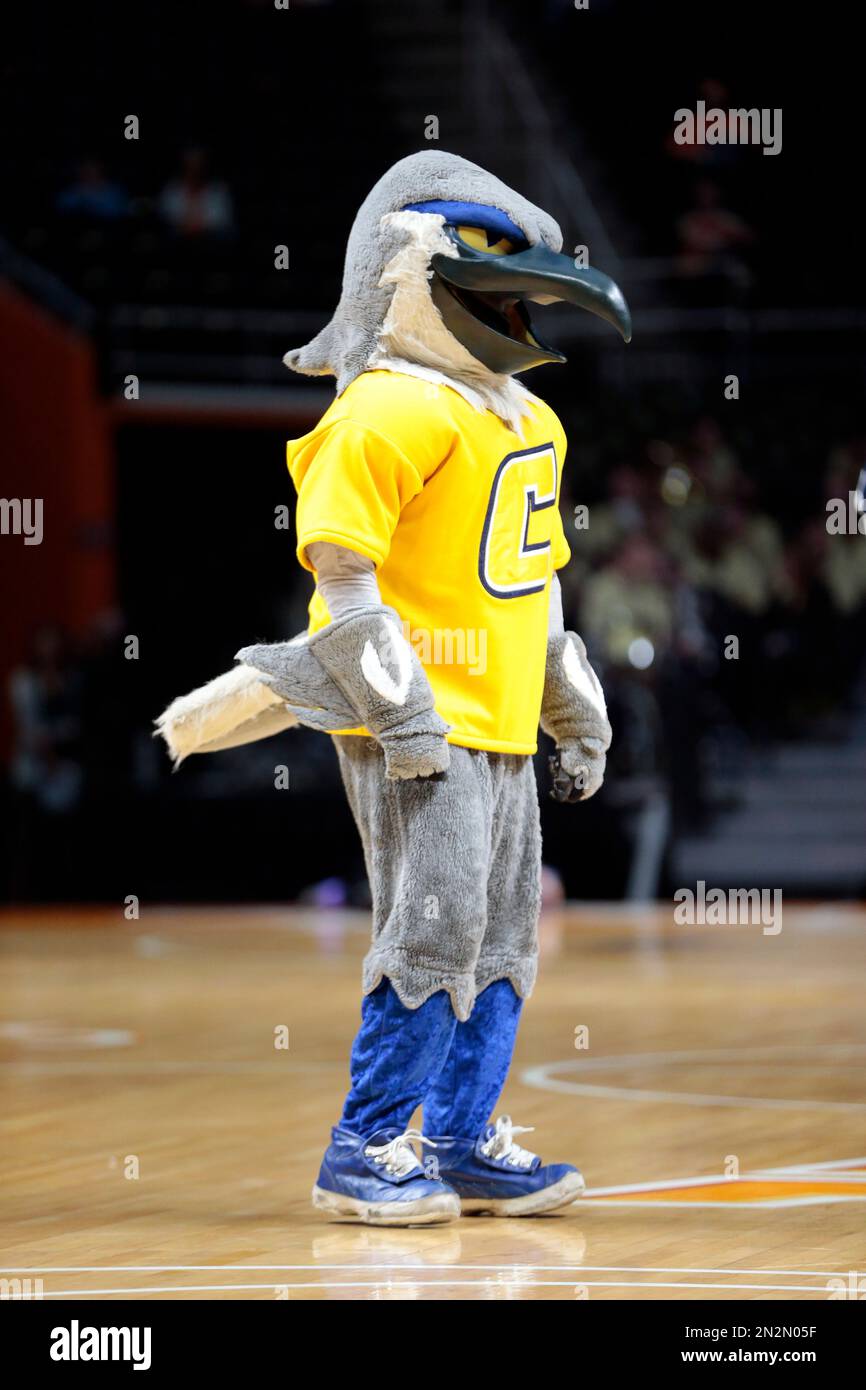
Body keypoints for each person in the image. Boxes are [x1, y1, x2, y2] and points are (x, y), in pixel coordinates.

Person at [158, 151, 631, 1224]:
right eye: (486, 274)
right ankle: (364, 1146)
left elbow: (532, 582)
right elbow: (341, 572)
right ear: (401, 273)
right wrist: (400, 707)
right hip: (418, 724)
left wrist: (573, 707)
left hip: (504, 727)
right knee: (431, 926)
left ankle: (460, 1140)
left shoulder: (527, 419)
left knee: (502, 936)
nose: (512, 301)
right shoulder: (382, 406)